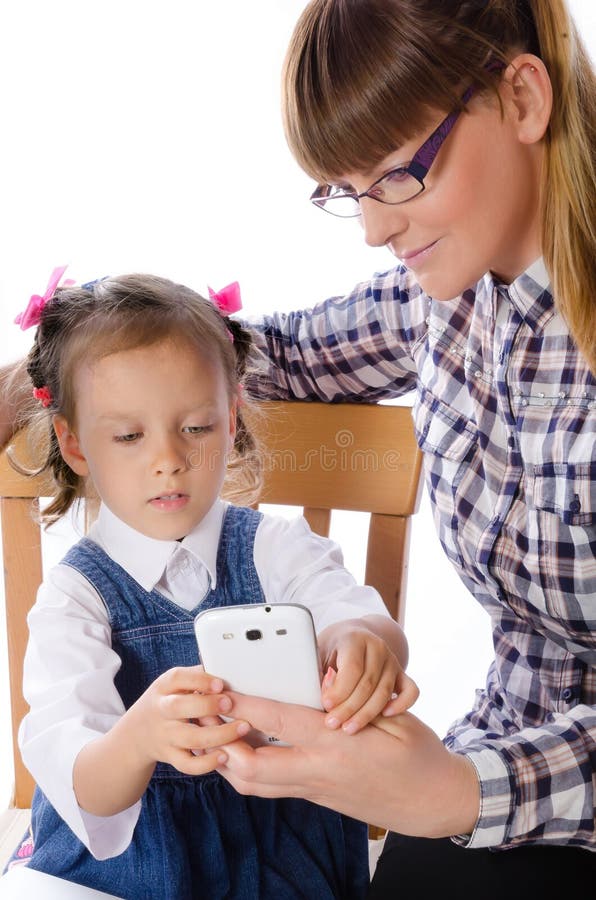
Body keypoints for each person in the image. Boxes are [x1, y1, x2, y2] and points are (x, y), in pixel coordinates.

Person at [201, 0, 596, 895]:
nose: (376, 230)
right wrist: (57, 363)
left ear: (524, 99)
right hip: (491, 788)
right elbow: (278, 352)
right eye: (348, 192)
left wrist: (461, 789)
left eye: (396, 176)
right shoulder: (446, 301)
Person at [1, 269, 417, 899]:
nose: (168, 457)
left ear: (232, 419)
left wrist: (363, 641)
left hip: (281, 846)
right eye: (129, 436)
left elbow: (355, 613)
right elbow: (85, 782)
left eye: (195, 426)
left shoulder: (273, 546)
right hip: (128, 865)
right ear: (76, 445)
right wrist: (141, 738)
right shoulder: (76, 596)